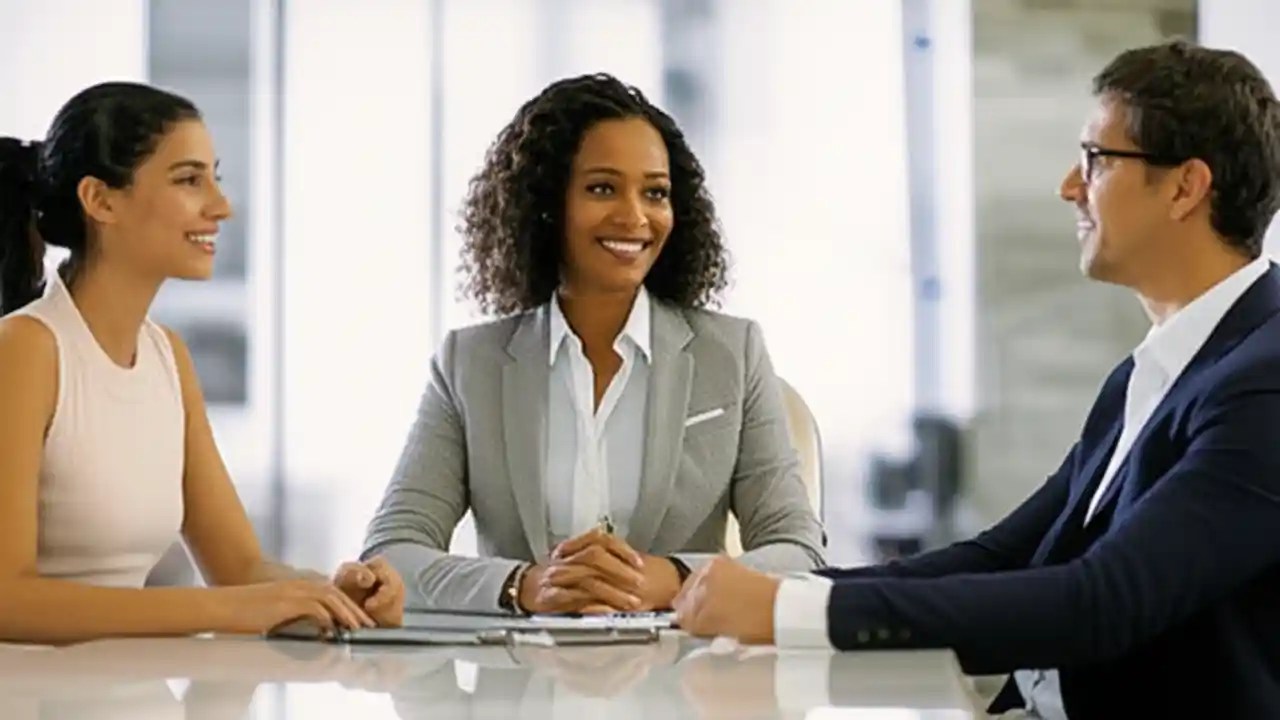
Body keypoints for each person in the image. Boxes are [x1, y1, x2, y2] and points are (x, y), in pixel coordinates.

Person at [672, 39, 1280, 719]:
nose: (1069, 186)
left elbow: (1101, 602)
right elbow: (1003, 557)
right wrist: (756, 596)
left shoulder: (1264, 382)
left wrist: (791, 608)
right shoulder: (1154, 371)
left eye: (1096, 160)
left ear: (1185, 187)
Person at [362, 73, 825, 615]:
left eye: (655, 192)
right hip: (517, 681)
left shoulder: (734, 353)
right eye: (602, 188)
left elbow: (801, 553)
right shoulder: (470, 365)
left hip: (681, 684)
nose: (635, 216)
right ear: (546, 202)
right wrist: (524, 586)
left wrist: (673, 579)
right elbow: (391, 556)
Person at [0, 81, 405, 644]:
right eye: (189, 180)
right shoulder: (25, 348)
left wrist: (334, 596)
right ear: (102, 200)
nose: (221, 206)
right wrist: (223, 610)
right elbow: (7, 600)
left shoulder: (168, 356)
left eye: (215, 177)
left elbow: (240, 571)